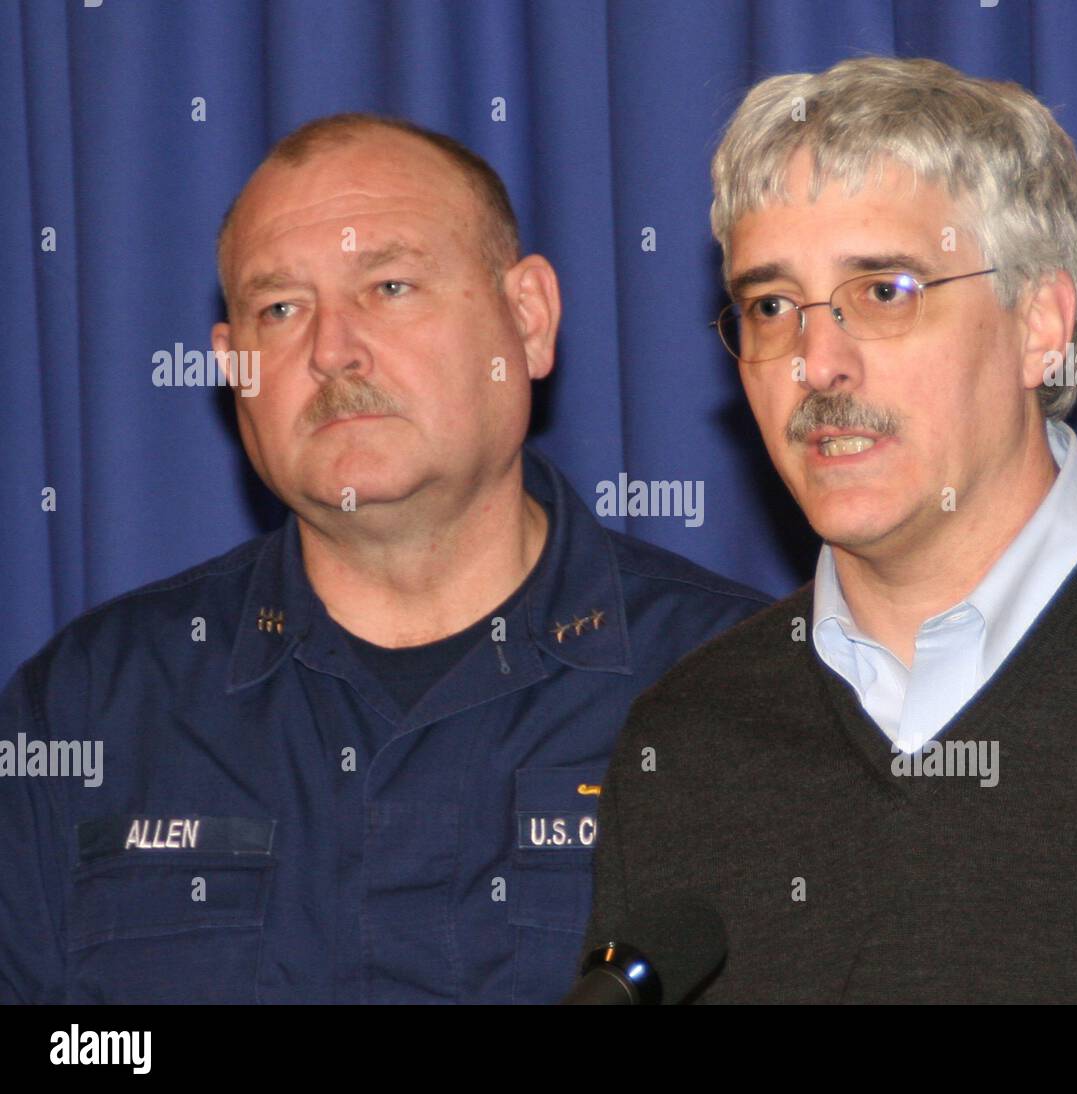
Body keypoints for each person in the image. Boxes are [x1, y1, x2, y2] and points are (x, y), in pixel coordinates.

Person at [0, 113, 768, 1004]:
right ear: (232, 366)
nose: (331, 350)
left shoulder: (739, 688)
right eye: (280, 309)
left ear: (527, 321)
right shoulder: (89, 707)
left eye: (391, 286)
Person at [582, 56, 1077, 1003]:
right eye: (769, 307)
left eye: (883, 291)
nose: (816, 363)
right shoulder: (687, 739)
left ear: (1041, 323)